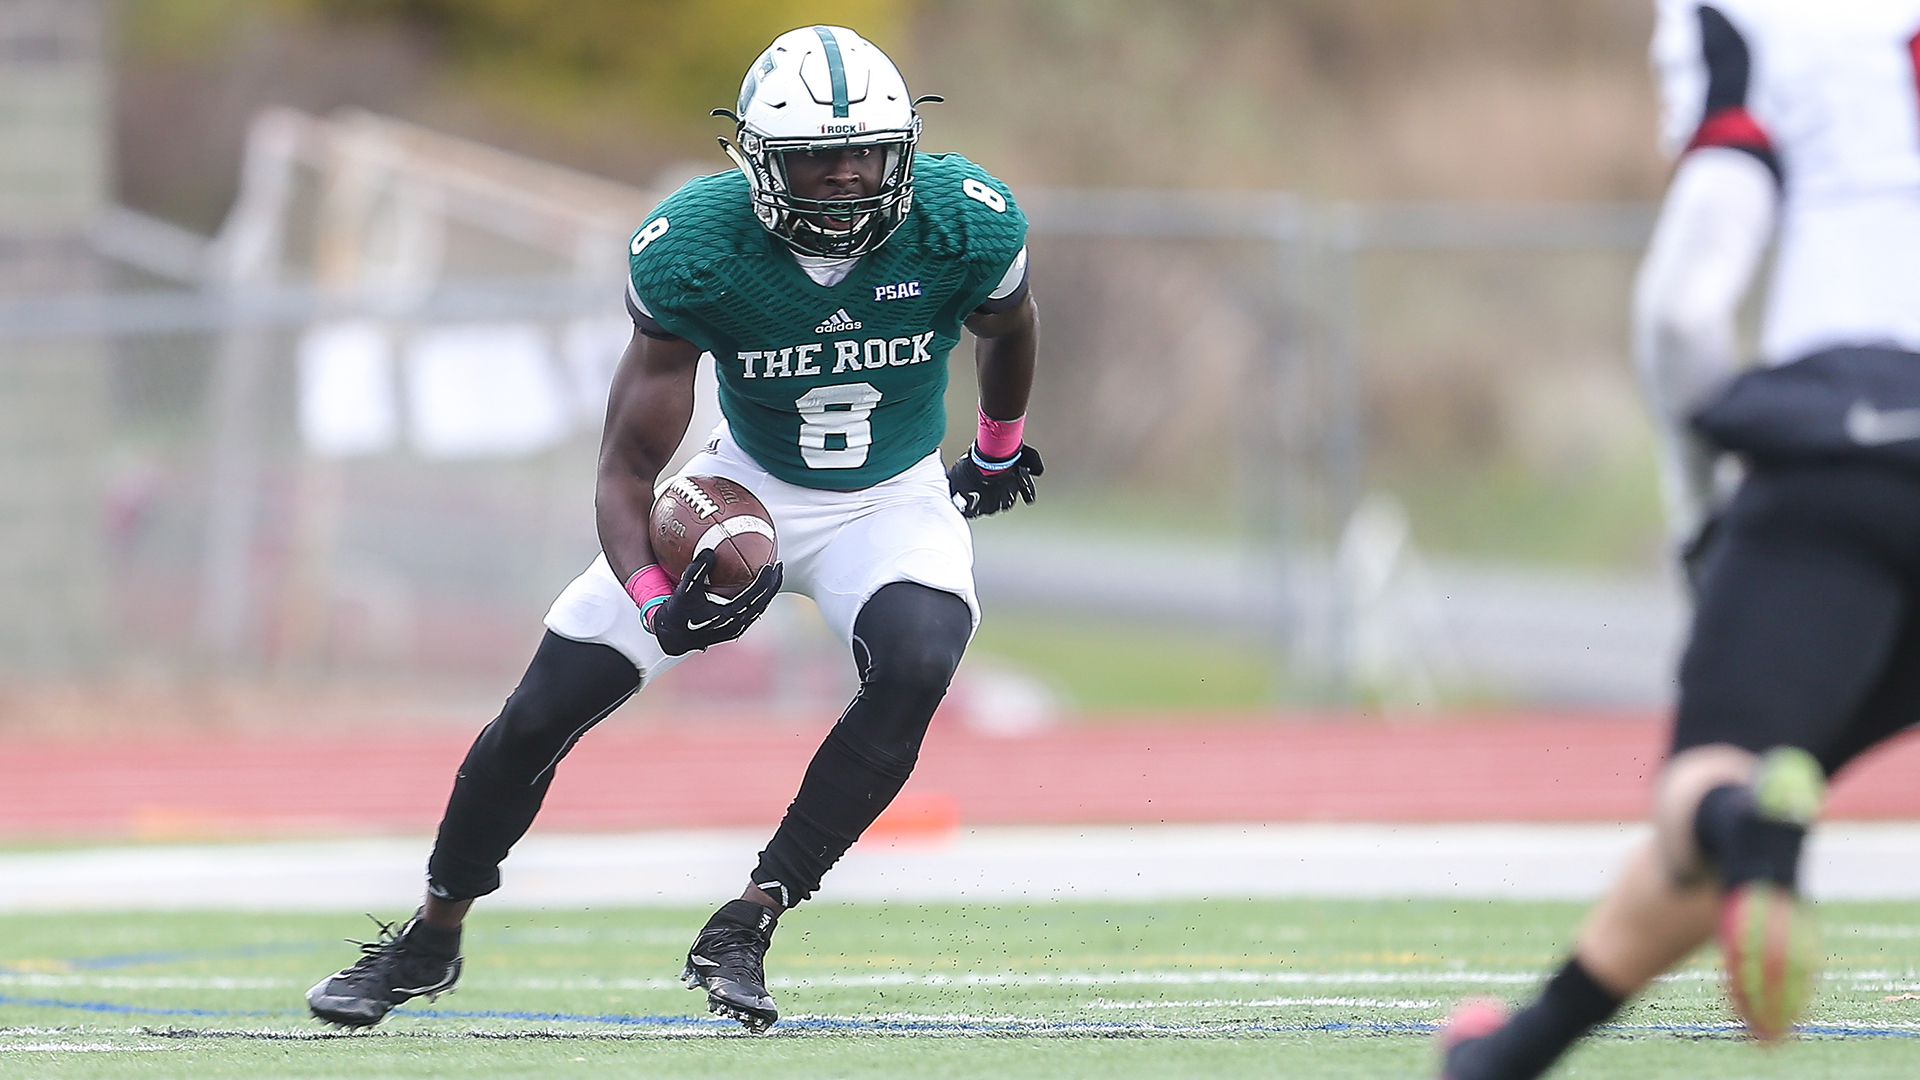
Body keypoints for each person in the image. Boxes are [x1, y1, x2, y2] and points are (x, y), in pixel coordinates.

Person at [305, 25, 1041, 1034]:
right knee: (540, 711)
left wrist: (997, 449)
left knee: (918, 663)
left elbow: (1010, 326)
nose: (847, 177)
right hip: (739, 487)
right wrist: (655, 601)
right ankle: (431, 935)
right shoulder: (700, 248)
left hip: (890, 498)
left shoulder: (963, 222)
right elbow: (624, 470)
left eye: (867, 152)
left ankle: (751, 916)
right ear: (760, 165)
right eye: (817, 158)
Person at [1437, 1, 1920, 1076]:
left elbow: (1682, 313)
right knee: (1743, 803)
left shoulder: (1751, 20)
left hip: (1848, 445)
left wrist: (1706, 511)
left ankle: (1748, 832)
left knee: (1717, 791)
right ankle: (1508, 1057)